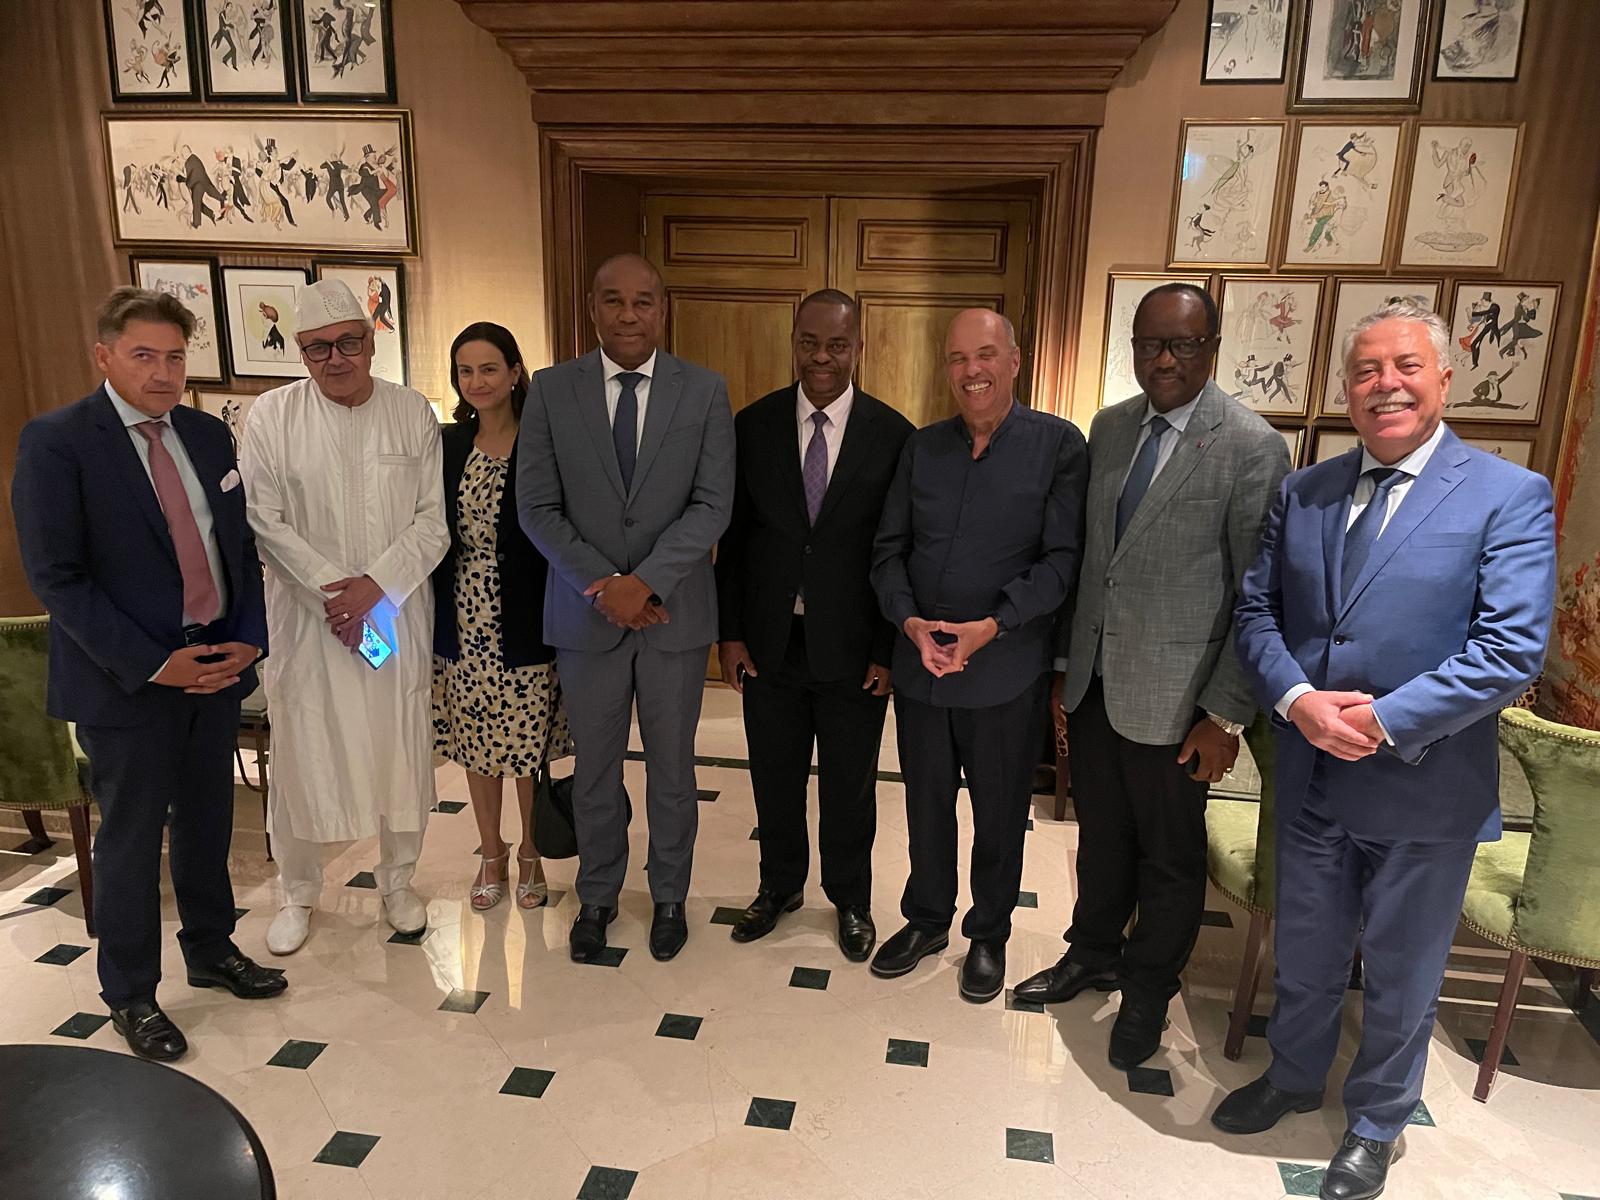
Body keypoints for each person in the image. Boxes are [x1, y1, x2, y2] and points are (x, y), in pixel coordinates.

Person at [1214, 302, 1555, 1200]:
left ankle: (1375, 1123)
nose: (1385, 385)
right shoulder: (1305, 491)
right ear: (1346, 389)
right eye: (1365, 371)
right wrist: (1296, 700)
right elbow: (1256, 614)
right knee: (1310, 947)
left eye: (1405, 367)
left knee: (1404, 969)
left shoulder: (1507, 496)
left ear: (1446, 378)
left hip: (1424, 784)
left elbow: (1510, 649)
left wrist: (1379, 721)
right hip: (1312, 772)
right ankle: (1293, 1077)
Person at [1013, 283, 1291, 1067]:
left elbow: (1258, 594)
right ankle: (1091, 951)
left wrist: (1226, 715)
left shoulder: (1250, 447)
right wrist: (1069, 672)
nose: (1163, 359)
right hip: (1099, 688)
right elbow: (1096, 567)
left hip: (1182, 706)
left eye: (1182, 345)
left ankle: (1145, 990)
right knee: (1101, 840)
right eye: (1148, 344)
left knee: (1168, 860)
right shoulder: (1109, 428)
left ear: (1211, 348)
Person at [11, 287, 285, 1062]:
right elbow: (57, 577)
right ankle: (130, 993)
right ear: (104, 356)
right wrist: (154, 663)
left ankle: (212, 947)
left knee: (206, 819)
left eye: (174, 356)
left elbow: (236, 554)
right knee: (131, 840)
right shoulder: (58, 441)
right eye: (144, 356)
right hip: (125, 683)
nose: (163, 373)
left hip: (215, 665)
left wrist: (248, 642)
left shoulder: (206, 436)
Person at [518, 253, 734, 964]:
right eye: (614, 301)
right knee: (597, 771)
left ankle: (670, 894)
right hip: (586, 621)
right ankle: (599, 893)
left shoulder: (703, 392)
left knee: (674, 771)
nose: (629, 315)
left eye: (643, 302)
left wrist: (645, 583)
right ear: (592, 307)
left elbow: (712, 505)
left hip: (671, 617)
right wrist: (603, 583)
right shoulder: (551, 392)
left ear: (662, 309)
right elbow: (537, 507)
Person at [868, 308, 1087, 1003]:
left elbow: (1060, 563)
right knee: (925, 805)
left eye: (986, 355)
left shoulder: (1059, 446)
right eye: (959, 358)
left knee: (998, 812)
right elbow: (887, 553)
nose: (973, 372)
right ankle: (929, 919)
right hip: (921, 670)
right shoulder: (921, 448)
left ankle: (988, 932)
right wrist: (909, 624)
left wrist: (990, 626)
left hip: (1004, 671)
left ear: (1014, 362)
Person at [239, 279, 448, 955]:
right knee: (304, 748)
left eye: (348, 342)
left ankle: (397, 882)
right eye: (318, 347)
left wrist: (372, 592)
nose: (336, 358)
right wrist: (337, 595)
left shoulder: (411, 412)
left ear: (369, 341)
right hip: (309, 622)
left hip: (390, 617)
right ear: (300, 352)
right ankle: (298, 890)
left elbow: (432, 525)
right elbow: (262, 522)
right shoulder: (270, 417)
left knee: (398, 744)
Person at [715, 290, 913, 962]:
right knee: (774, 777)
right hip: (771, 643)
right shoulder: (753, 426)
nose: (821, 357)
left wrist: (889, 648)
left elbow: (899, 552)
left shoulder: (894, 436)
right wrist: (731, 633)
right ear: (793, 341)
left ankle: (851, 900)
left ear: (860, 346)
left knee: (849, 785)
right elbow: (735, 541)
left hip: (856, 649)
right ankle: (778, 888)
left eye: (836, 344)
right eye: (809, 342)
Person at [432, 323, 570, 911]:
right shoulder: (447, 444)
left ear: (515, 372)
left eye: (489, 368)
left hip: (527, 616)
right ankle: (491, 852)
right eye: (465, 371)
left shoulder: (545, 443)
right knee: (476, 745)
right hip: (462, 616)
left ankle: (533, 853)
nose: (477, 382)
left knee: (525, 747)